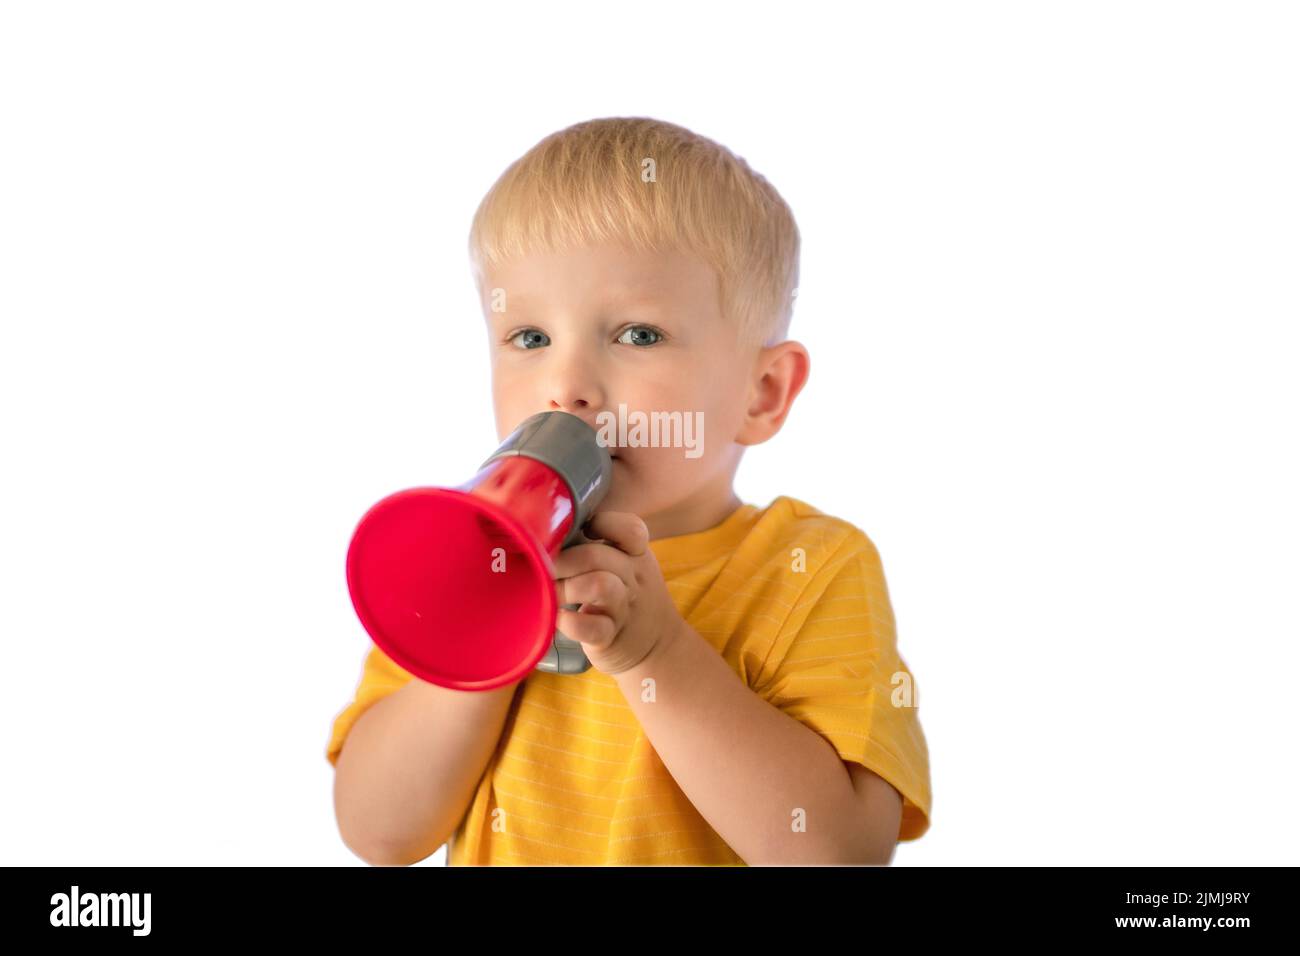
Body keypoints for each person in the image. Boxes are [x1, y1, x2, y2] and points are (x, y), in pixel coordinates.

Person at [326, 116, 931, 866]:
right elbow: (376, 831)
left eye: (638, 335)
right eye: (530, 339)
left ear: (762, 392)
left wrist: (657, 655)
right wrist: (490, 636)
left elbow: (836, 852)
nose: (566, 387)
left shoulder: (811, 567)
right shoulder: (468, 557)